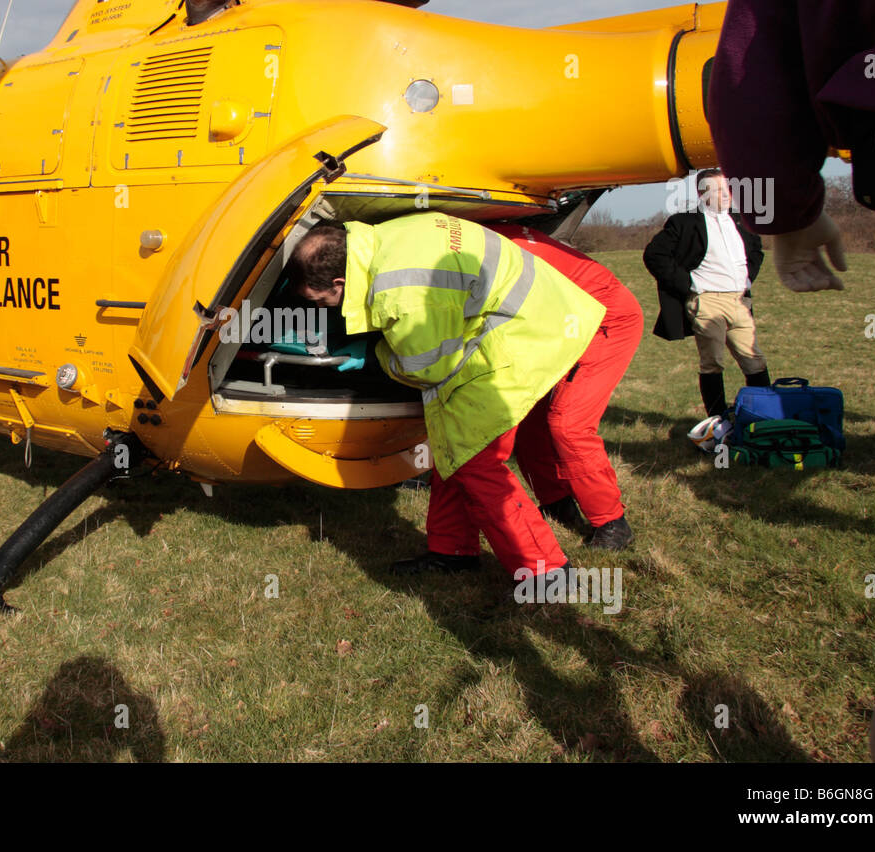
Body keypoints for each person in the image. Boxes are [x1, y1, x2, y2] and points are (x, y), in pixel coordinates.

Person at [705, 0, 875, 762]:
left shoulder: (730, 221)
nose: (718, 197)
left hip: (742, 293)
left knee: (752, 355)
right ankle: (725, 415)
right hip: (704, 304)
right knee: (718, 361)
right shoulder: (689, 228)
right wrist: (688, 293)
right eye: (716, 192)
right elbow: (669, 261)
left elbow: (755, 49)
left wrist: (776, 219)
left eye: (723, 192)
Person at [289, 214, 605, 586]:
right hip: (535, 314)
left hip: (524, 337)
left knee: (475, 460)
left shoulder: (396, 291)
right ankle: (452, 551)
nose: (325, 308)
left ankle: (547, 572)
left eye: (322, 300)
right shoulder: (383, 238)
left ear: (340, 281)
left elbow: (427, 368)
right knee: (452, 442)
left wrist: (373, 355)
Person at [491, 224, 644, 550]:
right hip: (565, 321)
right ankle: (556, 501)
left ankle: (612, 523)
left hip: (606, 320)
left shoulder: (484, 245)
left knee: (567, 424)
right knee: (529, 417)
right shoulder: (479, 234)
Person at [643, 169, 771, 417]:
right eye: (719, 190)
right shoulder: (684, 222)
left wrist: (747, 279)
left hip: (740, 302)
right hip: (707, 302)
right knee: (713, 363)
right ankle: (718, 420)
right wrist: (690, 284)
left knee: (754, 360)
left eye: (729, 189)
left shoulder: (740, 220)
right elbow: (654, 255)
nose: (727, 195)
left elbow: (756, 251)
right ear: (702, 194)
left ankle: (764, 416)